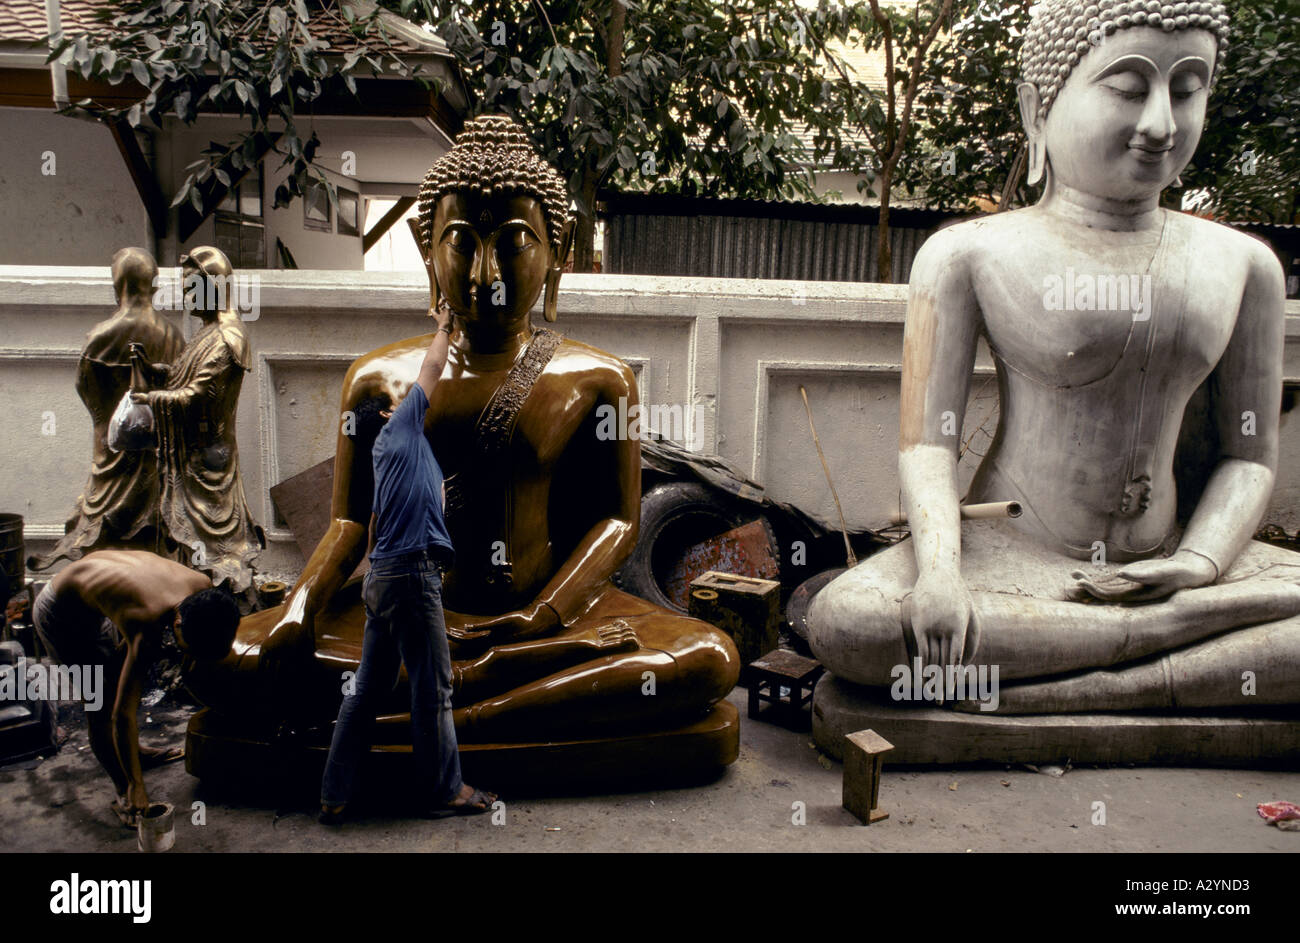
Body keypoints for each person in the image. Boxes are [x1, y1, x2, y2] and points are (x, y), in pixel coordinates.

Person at [808, 0, 1300, 716]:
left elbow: (1248, 456)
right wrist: (941, 572)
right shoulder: (969, 252)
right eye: (1130, 88)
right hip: (1016, 556)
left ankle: (1087, 672)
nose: (1161, 123)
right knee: (852, 625)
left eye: (1187, 89)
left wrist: (1198, 563)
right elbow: (926, 444)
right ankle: (1165, 660)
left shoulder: (1244, 266)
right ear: (1039, 108)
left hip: (1175, 561)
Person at [318, 301, 495, 824]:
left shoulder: (384, 456)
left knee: (367, 688)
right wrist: (444, 326)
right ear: (392, 416)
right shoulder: (402, 429)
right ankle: (446, 790)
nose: (412, 402)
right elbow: (433, 369)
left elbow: (373, 526)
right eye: (403, 403)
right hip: (412, 576)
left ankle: (334, 793)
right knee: (433, 687)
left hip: (384, 577)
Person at [31, 550, 239, 825]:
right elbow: (123, 714)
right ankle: (123, 789)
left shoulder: (202, 586)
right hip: (59, 612)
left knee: (120, 679)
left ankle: (134, 753)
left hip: (97, 597)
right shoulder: (146, 623)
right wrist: (136, 784)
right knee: (100, 704)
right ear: (177, 625)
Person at [29, 247, 185, 571]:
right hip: (157, 454)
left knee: (104, 527)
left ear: (119, 285)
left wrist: (109, 420)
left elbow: (86, 391)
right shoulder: (172, 335)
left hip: (108, 449)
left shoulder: (99, 337)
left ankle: (106, 584)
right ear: (152, 284)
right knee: (155, 530)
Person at [130, 246, 264, 593]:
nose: (187, 298)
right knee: (188, 541)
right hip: (191, 456)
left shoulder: (226, 339)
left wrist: (151, 399)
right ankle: (191, 594)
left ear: (214, 289)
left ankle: (215, 597)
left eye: (192, 290)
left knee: (213, 542)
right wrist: (154, 372)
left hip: (208, 461)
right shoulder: (205, 331)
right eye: (185, 290)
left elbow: (197, 397)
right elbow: (182, 376)